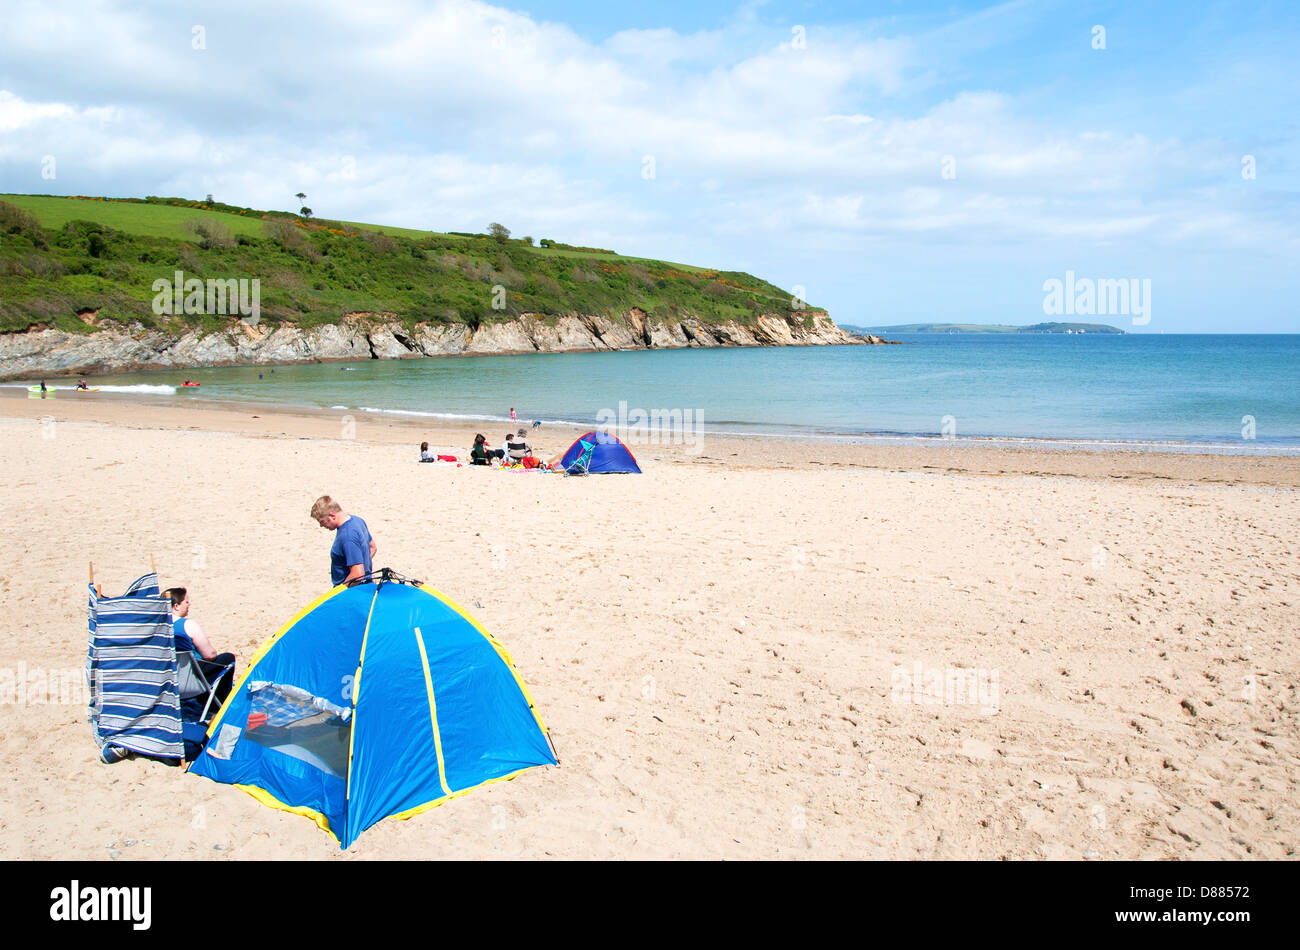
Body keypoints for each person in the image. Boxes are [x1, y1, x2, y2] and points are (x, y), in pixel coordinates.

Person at [164, 587, 236, 707]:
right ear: (176, 606)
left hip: (165, 683)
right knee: (228, 658)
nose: (189, 604)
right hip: (190, 684)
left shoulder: (156, 629)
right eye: (186, 602)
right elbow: (209, 655)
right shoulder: (186, 625)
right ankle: (217, 706)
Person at [311, 495, 376, 587]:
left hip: (352, 591)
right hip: (366, 586)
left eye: (322, 521)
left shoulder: (347, 536)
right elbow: (372, 547)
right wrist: (366, 571)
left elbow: (358, 574)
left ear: (332, 515)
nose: (321, 526)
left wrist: (339, 592)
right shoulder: (358, 521)